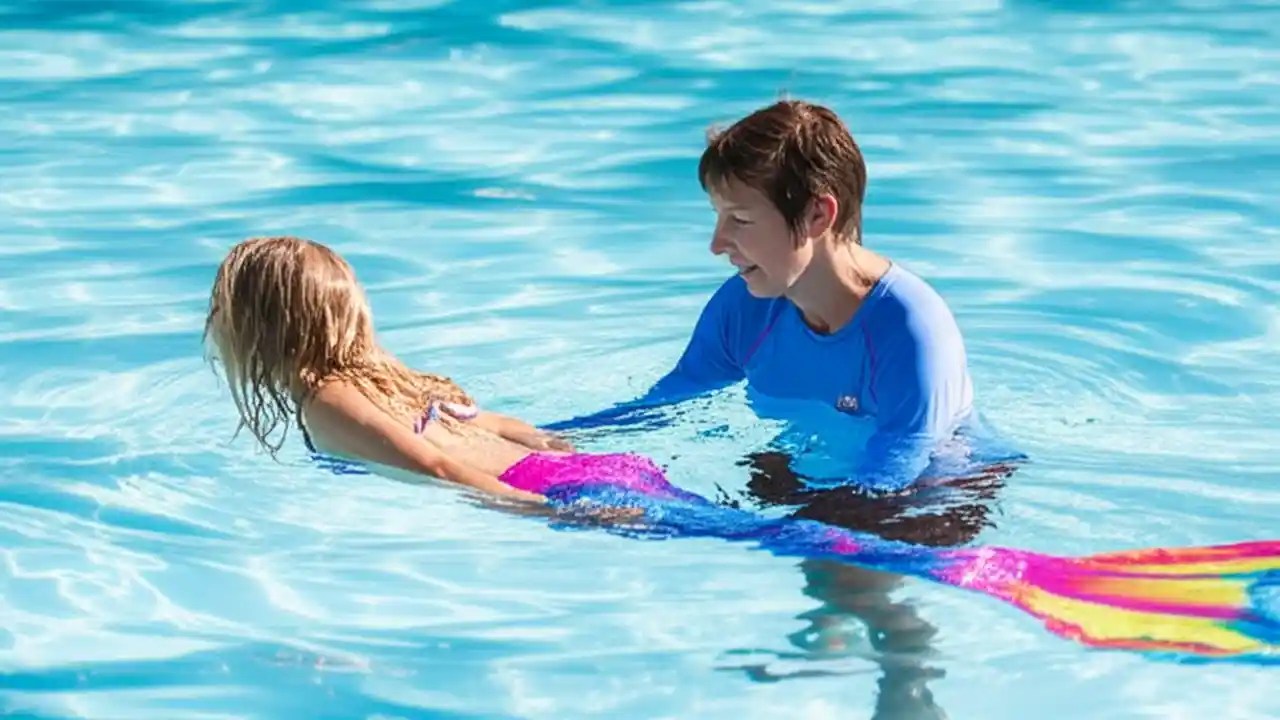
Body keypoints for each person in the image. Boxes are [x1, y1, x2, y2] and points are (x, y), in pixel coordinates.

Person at [547, 99, 980, 494]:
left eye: (739, 219)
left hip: (941, 489)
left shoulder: (911, 329)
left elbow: (897, 472)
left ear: (817, 214)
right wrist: (541, 437)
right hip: (807, 471)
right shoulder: (745, 308)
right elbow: (662, 408)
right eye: (719, 217)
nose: (717, 244)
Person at [203, 234, 666, 507]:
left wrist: (544, 510)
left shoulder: (327, 402)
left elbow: (437, 469)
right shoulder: (384, 378)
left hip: (559, 491)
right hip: (587, 471)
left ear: (260, 327)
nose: (214, 320)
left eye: (221, 308)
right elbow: (496, 425)